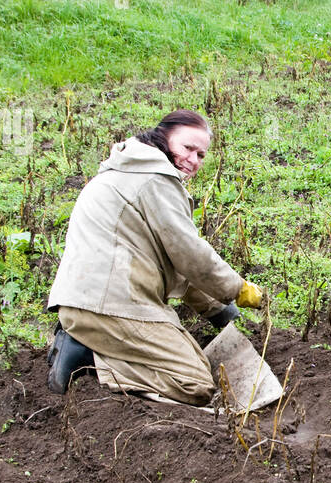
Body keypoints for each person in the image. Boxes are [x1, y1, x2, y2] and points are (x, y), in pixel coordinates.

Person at [44, 109, 265, 404]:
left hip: (82, 303)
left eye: (201, 155)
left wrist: (217, 310)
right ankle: (88, 359)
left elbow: (173, 258)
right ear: (163, 137)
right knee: (195, 384)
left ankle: (85, 344)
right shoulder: (155, 180)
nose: (193, 160)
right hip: (111, 307)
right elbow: (188, 253)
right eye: (187, 148)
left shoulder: (129, 170)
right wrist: (237, 289)